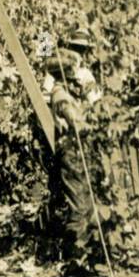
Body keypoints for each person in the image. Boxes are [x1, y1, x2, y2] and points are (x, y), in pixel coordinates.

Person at [43, 50, 95, 259]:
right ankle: (75, 253)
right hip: (71, 151)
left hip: (75, 149)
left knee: (83, 198)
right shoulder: (61, 96)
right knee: (78, 200)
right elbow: (76, 122)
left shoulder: (64, 93)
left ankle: (80, 249)